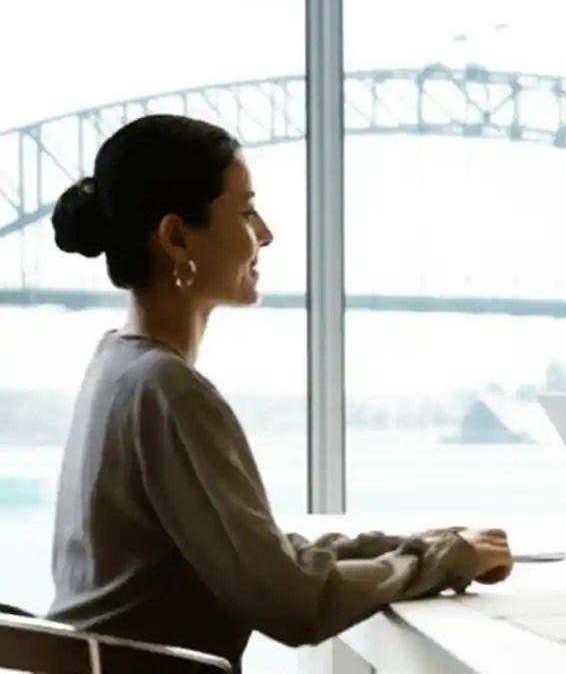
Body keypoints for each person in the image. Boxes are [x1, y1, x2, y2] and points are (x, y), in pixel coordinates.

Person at [44, 114, 514, 670]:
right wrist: (440, 561)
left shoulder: (116, 365)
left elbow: (260, 557)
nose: (264, 233)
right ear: (175, 237)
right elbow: (293, 604)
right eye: (245, 212)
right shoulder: (168, 390)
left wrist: (418, 547)